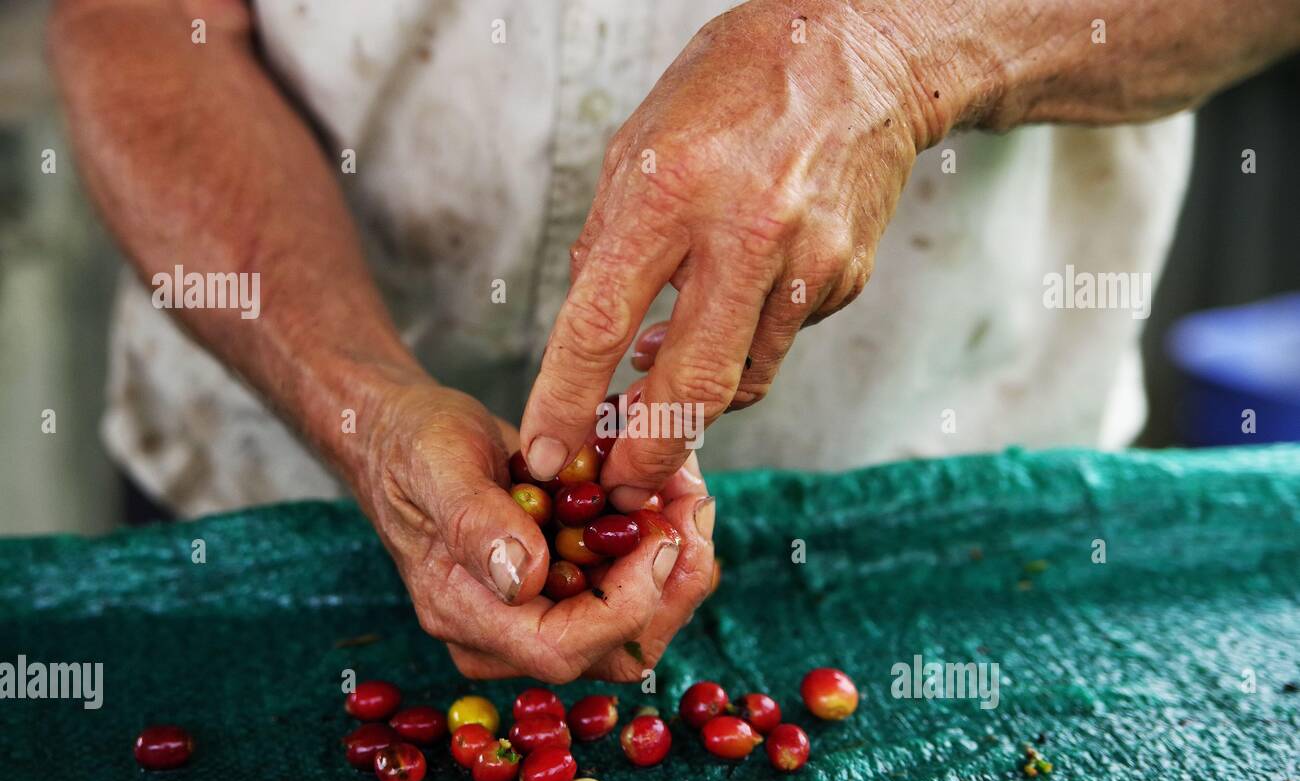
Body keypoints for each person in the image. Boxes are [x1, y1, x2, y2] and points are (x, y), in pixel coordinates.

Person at [49, 0, 1300, 681]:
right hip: (273, 454)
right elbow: (140, 21)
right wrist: (359, 403)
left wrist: (891, 53)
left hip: (925, 499)